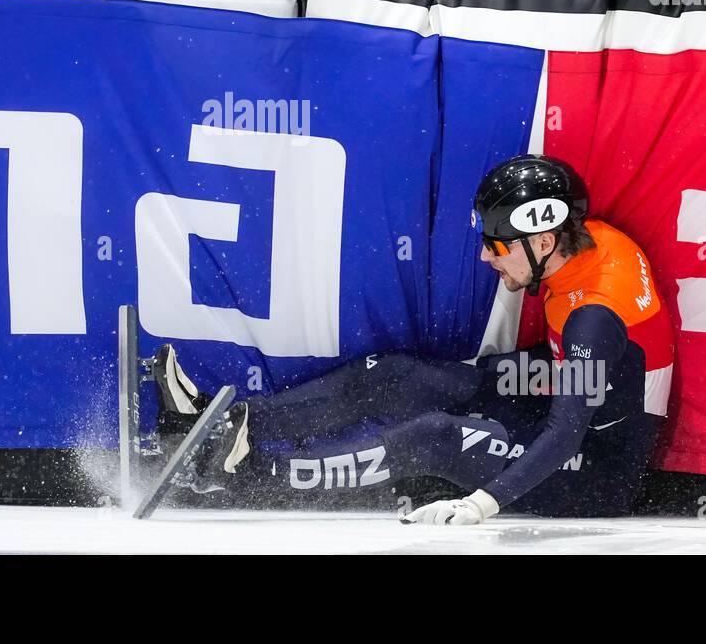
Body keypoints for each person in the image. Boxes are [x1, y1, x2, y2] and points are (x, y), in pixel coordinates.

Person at [151, 153, 674, 524]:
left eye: (495, 245)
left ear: (542, 240)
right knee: (399, 376)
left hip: (593, 471)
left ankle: (247, 476)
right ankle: (214, 425)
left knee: (434, 436)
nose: (486, 257)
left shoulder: (594, 316)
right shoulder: (587, 243)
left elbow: (566, 433)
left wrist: (480, 505)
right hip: (569, 387)